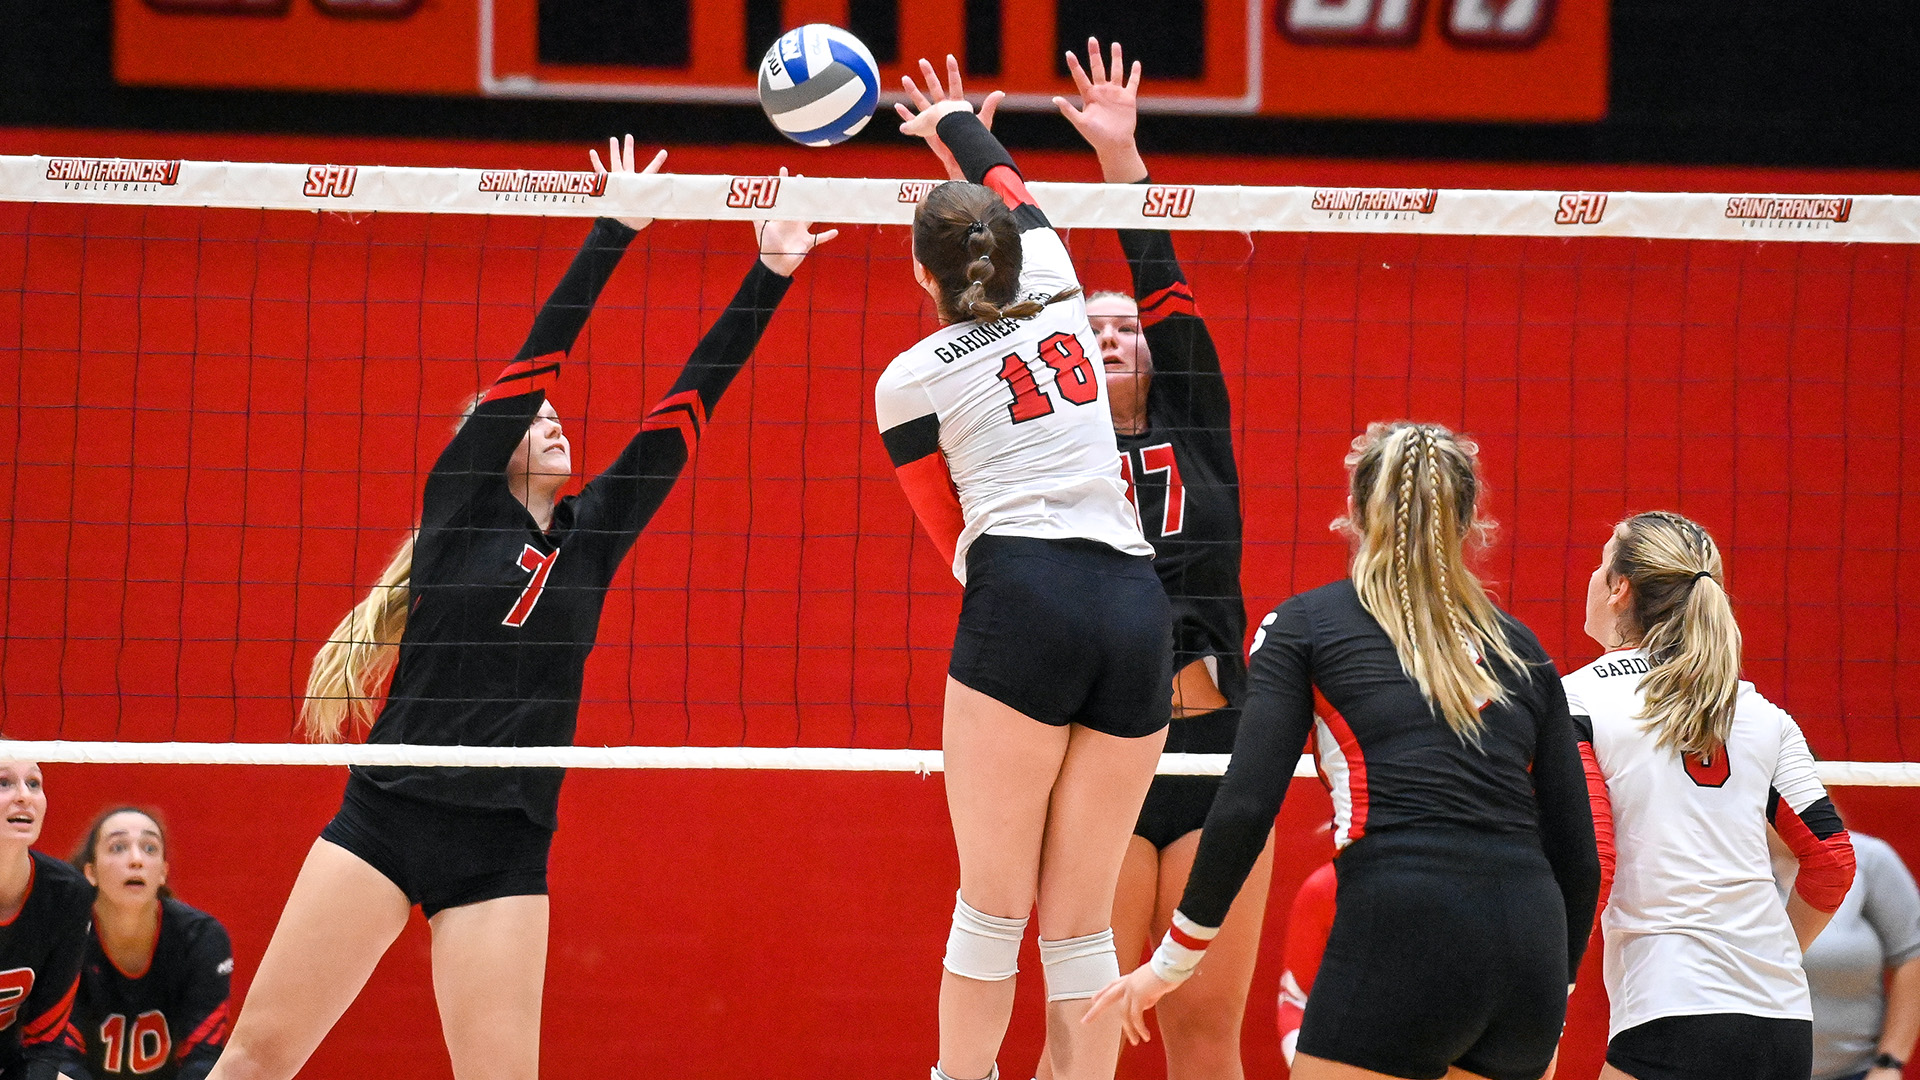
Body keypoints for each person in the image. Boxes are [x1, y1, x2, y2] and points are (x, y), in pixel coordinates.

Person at [204, 138, 834, 1080]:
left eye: (557, 416)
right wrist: (615, 228)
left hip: (504, 843)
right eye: (532, 418)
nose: (554, 419)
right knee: (257, 1057)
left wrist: (771, 272)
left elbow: (685, 406)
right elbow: (541, 352)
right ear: (488, 442)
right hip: (388, 812)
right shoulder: (459, 501)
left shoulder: (594, 535)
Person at [1089, 421, 1602, 1080]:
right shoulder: (1521, 647)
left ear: (1357, 512)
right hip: (1529, 941)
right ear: (1472, 520)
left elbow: (1246, 805)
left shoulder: (1306, 626)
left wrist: (1169, 966)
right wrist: (1550, 994)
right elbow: (1577, 854)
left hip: (1402, 918)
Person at [884, 58, 1171, 1080]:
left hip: (1023, 591)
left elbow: (942, 524)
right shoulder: (1055, 277)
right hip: (1137, 605)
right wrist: (957, 122)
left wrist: (1017, 617)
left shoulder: (906, 382)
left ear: (923, 278)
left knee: (991, 905)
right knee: (1083, 924)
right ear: (1011, 250)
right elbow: (1011, 184)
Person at [1027, 40, 1268, 1080]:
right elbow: (1004, 313)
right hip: (1106, 751)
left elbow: (1161, 274)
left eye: (1128, 324)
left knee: (1205, 1032)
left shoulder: (1196, 423)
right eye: (1096, 327)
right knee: (1081, 1034)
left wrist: (1121, 157)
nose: (1116, 332)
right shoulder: (1051, 451)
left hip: (1222, 751)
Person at [1567, 510, 1857, 1080]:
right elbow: (1832, 862)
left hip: (1671, 1007)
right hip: (1781, 1020)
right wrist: (1769, 959)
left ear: (1619, 588)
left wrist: (1555, 983)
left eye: (1602, 565)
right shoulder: (1762, 714)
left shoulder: (1577, 703)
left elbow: (1592, 862)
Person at [63, 808, 232, 1080]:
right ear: (90, 872)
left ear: (163, 872)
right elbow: (60, 1059)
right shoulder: (64, 937)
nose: (136, 859)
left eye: (150, 848)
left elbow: (203, 1059)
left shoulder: (200, 938)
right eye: (118, 847)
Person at [1774, 826, 1920, 1080]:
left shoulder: (1868, 858)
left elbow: (1913, 953)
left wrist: (1889, 1063)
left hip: (1852, 1071)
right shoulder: (1719, 863)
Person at [0, 759, 93, 1080]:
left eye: (34, 783)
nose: (24, 796)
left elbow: (45, 1042)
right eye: (4, 783)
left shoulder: (68, 895)